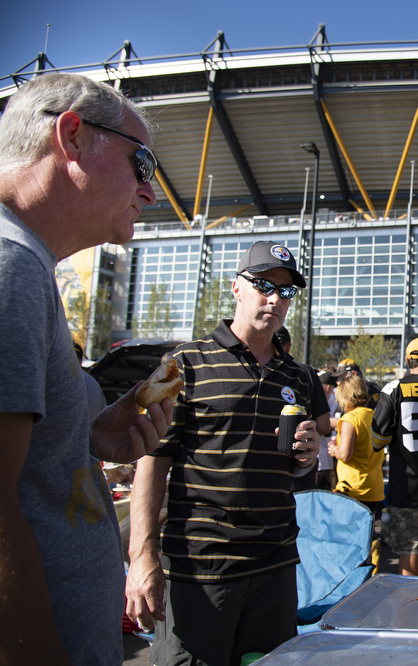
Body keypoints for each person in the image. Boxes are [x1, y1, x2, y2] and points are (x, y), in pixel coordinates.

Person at [0, 72, 174, 665]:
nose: (150, 193)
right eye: (142, 164)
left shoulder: (27, 266)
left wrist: (93, 431)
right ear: (71, 136)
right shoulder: (10, 265)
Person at [125, 240, 323, 665]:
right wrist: (141, 555)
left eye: (285, 291)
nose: (274, 299)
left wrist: (308, 456)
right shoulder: (188, 363)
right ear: (236, 287)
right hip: (201, 567)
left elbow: (296, 470)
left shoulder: (299, 376)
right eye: (263, 285)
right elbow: (152, 461)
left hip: (275, 564)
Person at [371, 337, 418, 576]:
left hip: (406, 484)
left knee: (409, 549)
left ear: (407, 360)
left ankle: (413, 603)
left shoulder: (393, 389)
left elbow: (377, 440)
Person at [277, 326, 332, 492]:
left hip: (255, 480)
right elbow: (324, 426)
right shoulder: (305, 373)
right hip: (297, 476)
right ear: (288, 345)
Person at [330, 374, 385, 516]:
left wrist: (334, 450)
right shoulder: (374, 415)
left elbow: (345, 454)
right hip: (374, 488)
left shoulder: (350, 419)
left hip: (353, 487)